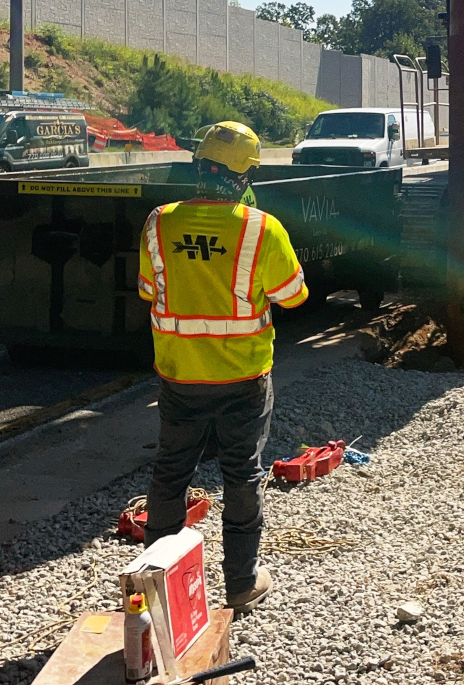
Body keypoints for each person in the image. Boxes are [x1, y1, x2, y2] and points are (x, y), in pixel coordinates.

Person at [138, 121, 309, 611]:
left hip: (180, 376)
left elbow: (148, 291)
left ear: (199, 166)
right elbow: (293, 296)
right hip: (243, 378)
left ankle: (157, 591)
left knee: (171, 472)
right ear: (244, 175)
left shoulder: (159, 222)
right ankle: (240, 583)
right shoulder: (261, 228)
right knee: (241, 475)